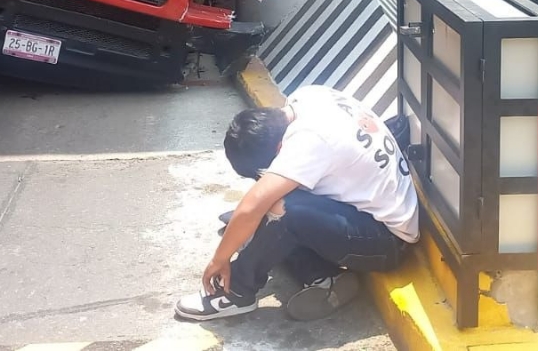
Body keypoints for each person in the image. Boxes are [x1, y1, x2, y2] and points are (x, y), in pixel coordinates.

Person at [174, 86, 418, 323]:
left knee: (280, 209)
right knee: (268, 217)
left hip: (386, 242)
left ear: (279, 148)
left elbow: (254, 205)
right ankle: (325, 277)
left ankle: (236, 293)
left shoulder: (309, 142)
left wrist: (219, 259)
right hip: (362, 214)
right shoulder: (309, 96)